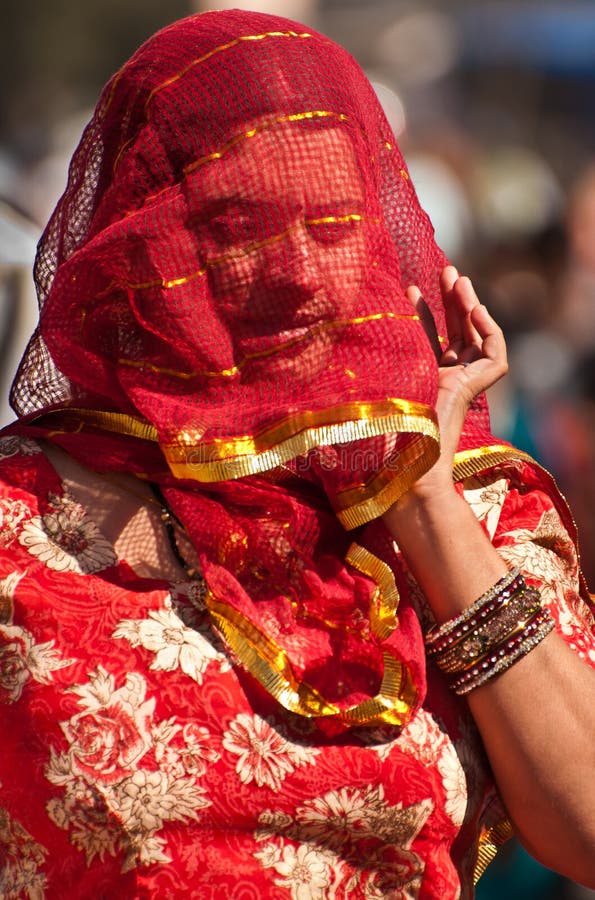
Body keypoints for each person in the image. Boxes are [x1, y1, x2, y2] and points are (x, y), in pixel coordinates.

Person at [1, 10, 594, 898]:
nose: (296, 272)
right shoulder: (19, 526)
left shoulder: (478, 514)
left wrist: (423, 497)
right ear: (143, 247)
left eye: (329, 227)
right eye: (241, 226)